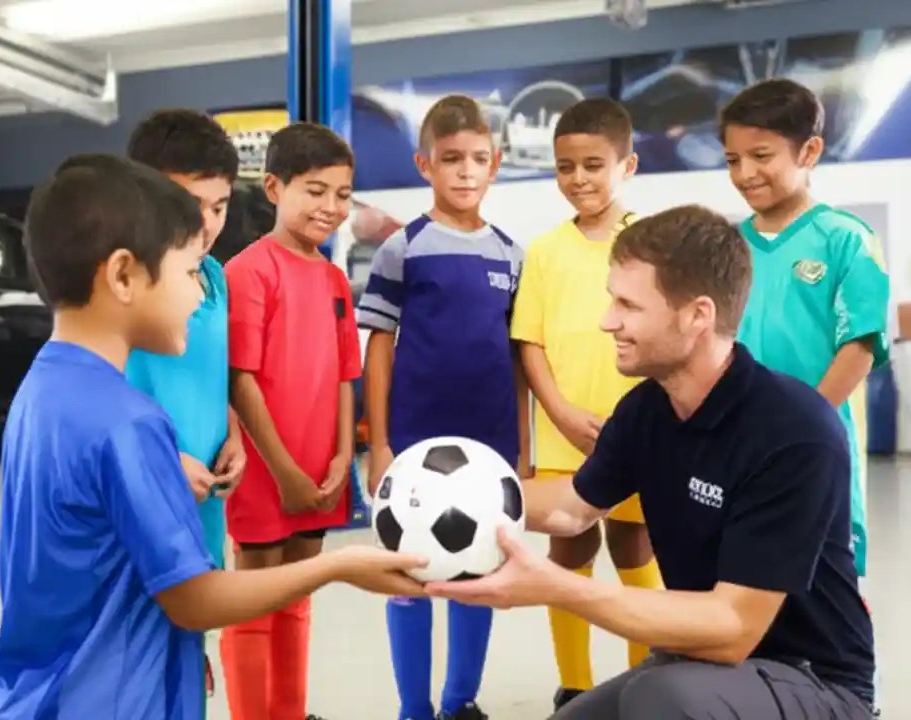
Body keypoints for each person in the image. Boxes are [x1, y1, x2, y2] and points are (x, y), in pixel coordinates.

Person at [0, 154, 426, 720]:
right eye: (190, 272)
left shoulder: (42, 390)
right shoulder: (127, 424)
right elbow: (196, 600)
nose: (199, 297)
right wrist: (338, 567)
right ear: (123, 275)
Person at [428, 205, 877, 720]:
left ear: (697, 316)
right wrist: (456, 498)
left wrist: (557, 588)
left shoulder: (793, 430)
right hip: (699, 667)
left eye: (628, 305)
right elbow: (571, 509)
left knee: (660, 701)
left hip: (814, 682)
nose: (607, 321)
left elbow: (733, 628)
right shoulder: (647, 410)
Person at [358, 94, 529, 720]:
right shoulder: (402, 248)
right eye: (450, 158)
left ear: (496, 163)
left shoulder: (512, 255)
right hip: (412, 445)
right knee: (407, 576)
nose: (464, 170)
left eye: (477, 159)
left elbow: (517, 358)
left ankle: (460, 703)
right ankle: (414, 709)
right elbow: (379, 349)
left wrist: (524, 449)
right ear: (424, 165)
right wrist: (379, 444)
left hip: (489, 447)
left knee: (476, 578)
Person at [509, 97, 661, 712]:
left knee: (635, 551)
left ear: (628, 164)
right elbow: (530, 343)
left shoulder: (652, 242)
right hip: (561, 436)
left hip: (641, 434)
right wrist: (563, 416)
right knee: (568, 551)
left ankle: (645, 680)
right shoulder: (544, 250)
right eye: (566, 167)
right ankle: (573, 683)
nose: (579, 180)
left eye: (594, 165)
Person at [720, 78, 890, 578]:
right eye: (732, 160)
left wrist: (800, 422)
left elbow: (859, 345)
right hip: (737, 447)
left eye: (761, 156)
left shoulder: (847, 240)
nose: (745, 173)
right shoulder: (726, 247)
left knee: (824, 587)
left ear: (810, 150)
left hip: (815, 443)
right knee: (741, 580)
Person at [221, 122, 363, 720]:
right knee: (255, 601)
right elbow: (239, 378)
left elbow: (342, 375)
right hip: (263, 472)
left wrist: (338, 457)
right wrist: (281, 472)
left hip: (318, 470)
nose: (330, 206)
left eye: (342, 193)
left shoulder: (334, 278)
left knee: (299, 596)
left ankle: (289, 711)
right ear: (275, 187)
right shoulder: (249, 271)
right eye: (315, 190)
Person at [124, 108, 245, 577]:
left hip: (205, 497)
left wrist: (233, 432)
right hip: (143, 491)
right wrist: (163, 460)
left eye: (220, 206)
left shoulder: (215, 277)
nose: (207, 222)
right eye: (191, 203)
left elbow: (209, 374)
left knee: (197, 624)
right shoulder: (123, 284)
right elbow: (96, 398)